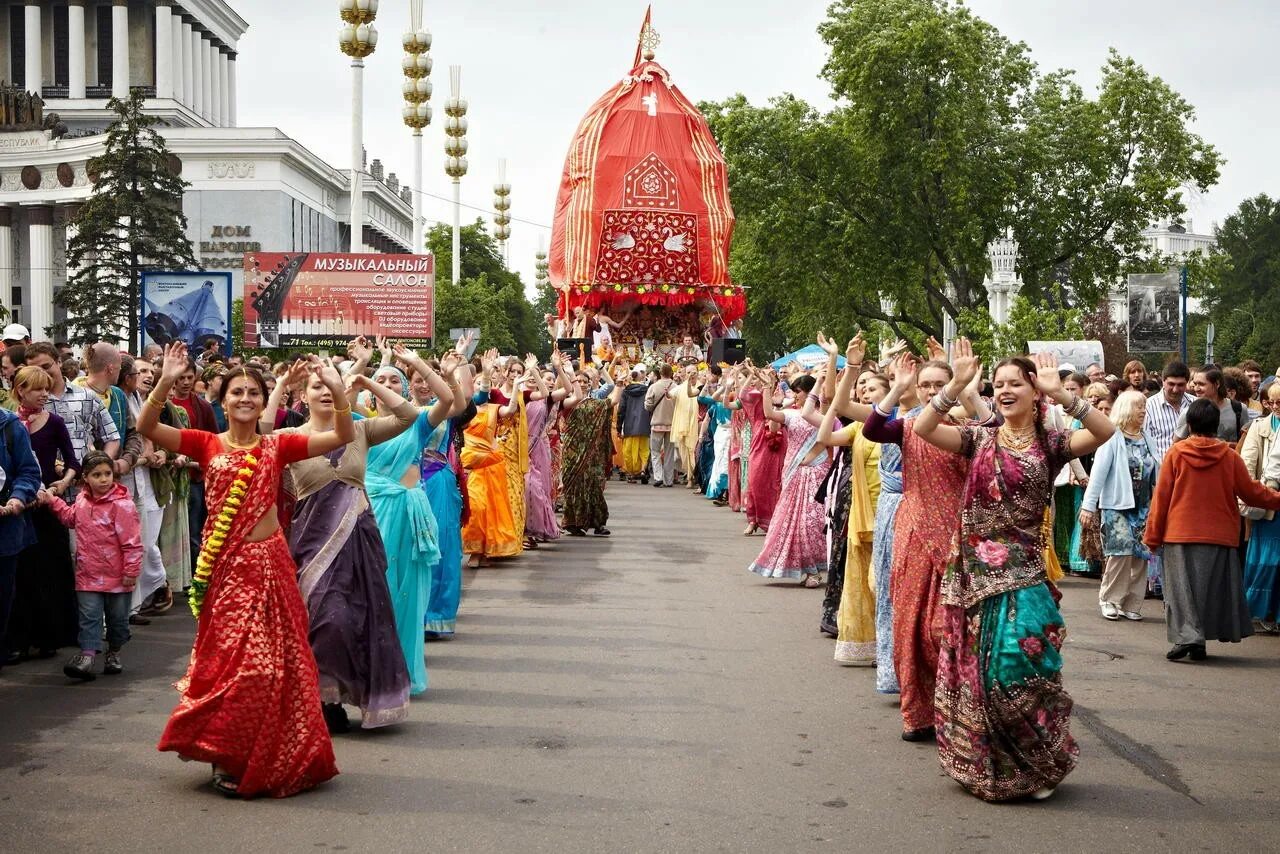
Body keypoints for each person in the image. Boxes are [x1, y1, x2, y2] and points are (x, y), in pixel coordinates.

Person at [139, 344, 352, 799]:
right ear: (224, 398)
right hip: (226, 572)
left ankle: (272, 753)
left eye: (253, 393)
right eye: (237, 392)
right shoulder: (205, 442)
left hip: (270, 568)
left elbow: (339, 437)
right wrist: (164, 379)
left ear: (263, 399)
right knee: (233, 669)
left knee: (276, 668)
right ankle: (225, 754)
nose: (245, 399)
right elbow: (146, 427)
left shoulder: (279, 445)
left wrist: (337, 391)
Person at [915, 345, 1114, 801]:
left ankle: (1038, 763)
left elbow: (1103, 430)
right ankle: (992, 762)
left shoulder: (1052, 444)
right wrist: (954, 386)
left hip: (1025, 573)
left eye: (1015, 384)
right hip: (975, 577)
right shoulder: (979, 438)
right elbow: (925, 428)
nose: (1005, 390)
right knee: (980, 677)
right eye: (999, 383)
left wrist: (1064, 395)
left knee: (1017, 668)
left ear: (1033, 391)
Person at [267, 357, 420, 732]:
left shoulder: (361, 431)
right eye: (315, 387)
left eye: (330, 386)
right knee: (327, 621)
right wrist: (277, 387)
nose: (323, 391)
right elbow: (258, 434)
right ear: (303, 395)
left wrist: (365, 383)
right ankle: (321, 697)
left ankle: (343, 698)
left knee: (360, 621)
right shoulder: (291, 438)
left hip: (358, 542)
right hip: (312, 545)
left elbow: (407, 415)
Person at [858, 343, 994, 735]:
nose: (932, 392)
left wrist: (966, 389)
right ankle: (917, 715)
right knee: (911, 625)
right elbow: (872, 429)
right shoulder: (909, 427)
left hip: (959, 536)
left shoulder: (968, 430)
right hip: (915, 532)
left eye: (940, 384)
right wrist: (897, 388)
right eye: (926, 386)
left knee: (948, 628)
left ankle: (956, 709)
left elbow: (998, 431)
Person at [1147, 398, 1280, 661]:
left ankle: (1189, 637)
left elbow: (1161, 499)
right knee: (1209, 592)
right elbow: (1252, 492)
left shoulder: (1176, 453)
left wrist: (1152, 536)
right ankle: (1198, 640)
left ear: (1190, 424)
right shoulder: (1229, 457)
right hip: (1219, 535)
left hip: (1179, 533)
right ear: (1217, 425)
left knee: (1181, 591)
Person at [365, 348, 455, 695]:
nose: (387, 384)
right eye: (380, 380)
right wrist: (358, 370)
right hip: (372, 513)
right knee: (377, 590)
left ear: (404, 390)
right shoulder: (360, 424)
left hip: (410, 514)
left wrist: (417, 364)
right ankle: (372, 671)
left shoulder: (418, 422)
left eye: (394, 380)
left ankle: (401, 671)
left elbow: (446, 398)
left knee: (408, 595)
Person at [43, 451, 141, 681]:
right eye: (97, 475)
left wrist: (131, 571)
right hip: (88, 573)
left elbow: (132, 543)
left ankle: (114, 651)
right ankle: (86, 656)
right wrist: (53, 501)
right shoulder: (81, 501)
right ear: (85, 477)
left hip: (118, 576)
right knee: (89, 617)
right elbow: (70, 519)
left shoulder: (122, 505)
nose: (104, 479)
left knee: (117, 620)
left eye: (108, 474)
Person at [819, 357, 889, 665]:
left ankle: (889, 646)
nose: (867, 392)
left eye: (874, 388)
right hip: (862, 513)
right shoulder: (859, 427)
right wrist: (836, 403)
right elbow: (824, 438)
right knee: (866, 583)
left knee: (883, 582)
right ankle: (875, 644)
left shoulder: (899, 423)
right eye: (864, 388)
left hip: (890, 511)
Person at [5, 366, 78, 663]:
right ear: (21, 390)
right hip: (17, 508)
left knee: (49, 573)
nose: (44, 394)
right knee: (21, 577)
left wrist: (61, 483)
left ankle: (50, 636)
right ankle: (19, 639)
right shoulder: (9, 423)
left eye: (47, 388)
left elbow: (73, 461)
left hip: (48, 507)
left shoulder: (55, 422)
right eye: (38, 389)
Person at [1080, 390, 1159, 621]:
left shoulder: (1146, 438)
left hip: (1143, 506)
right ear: (1126, 409)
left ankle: (1132, 603)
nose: (1143, 411)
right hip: (1117, 505)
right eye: (1138, 407)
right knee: (1120, 552)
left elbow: (1156, 472)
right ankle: (1110, 599)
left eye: (1144, 407)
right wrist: (1088, 506)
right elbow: (1098, 474)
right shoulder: (1111, 437)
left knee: (1141, 555)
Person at [747, 372, 830, 587]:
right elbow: (769, 414)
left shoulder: (824, 415)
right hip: (793, 473)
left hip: (818, 471)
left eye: (799, 391)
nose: (796, 395)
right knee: (789, 521)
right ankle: (802, 568)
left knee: (812, 522)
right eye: (794, 391)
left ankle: (815, 570)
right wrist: (767, 388)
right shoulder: (791, 414)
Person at [27, 342, 120, 477]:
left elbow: (112, 437)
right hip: (47, 486)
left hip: (85, 489)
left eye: (46, 366)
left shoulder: (87, 396)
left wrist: (98, 468)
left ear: (58, 362)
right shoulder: (30, 404)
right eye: (35, 369)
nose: (42, 373)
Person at [0, 391, 43, 670]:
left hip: (5, 533)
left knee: (2, 597)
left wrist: (18, 497)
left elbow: (29, 472)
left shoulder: (10, 427)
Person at [561, 371, 621, 536]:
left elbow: (614, 400)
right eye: (578, 380)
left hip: (592, 452)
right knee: (573, 486)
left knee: (594, 485)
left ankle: (598, 523)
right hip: (572, 451)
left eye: (584, 381)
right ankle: (573, 523)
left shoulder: (596, 403)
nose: (581, 383)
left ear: (589, 384)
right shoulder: (568, 402)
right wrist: (561, 369)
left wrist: (620, 383)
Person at [1246, 382, 1280, 633]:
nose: (1276, 407)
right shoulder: (1259, 427)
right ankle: (1260, 610)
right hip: (1270, 505)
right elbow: (1248, 466)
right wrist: (1254, 495)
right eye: (1272, 402)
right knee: (1269, 562)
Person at [1177, 366, 1245, 443]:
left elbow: (1247, 442)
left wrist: (1227, 446)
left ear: (1217, 384)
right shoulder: (1189, 412)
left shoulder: (1239, 409)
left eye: (1201, 384)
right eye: (1195, 384)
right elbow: (1177, 446)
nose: (1196, 388)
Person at [645, 364, 679, 488]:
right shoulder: (676, 387)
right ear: (671, 373)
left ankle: (658, 477)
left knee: (655, 451)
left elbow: (648, 405)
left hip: (657, 424)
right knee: (669, 452)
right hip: (672, 424)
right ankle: (668, 480)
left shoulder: (654, 387)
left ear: (660, 373)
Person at [617, 365, 652, 484]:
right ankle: (642, 470)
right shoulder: (647, 390)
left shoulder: (626, 391)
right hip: (644, 422)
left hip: (629, 424)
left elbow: (621, 409)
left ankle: (632, 474)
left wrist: (618, 426)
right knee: (644, 450)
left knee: (629, 450)